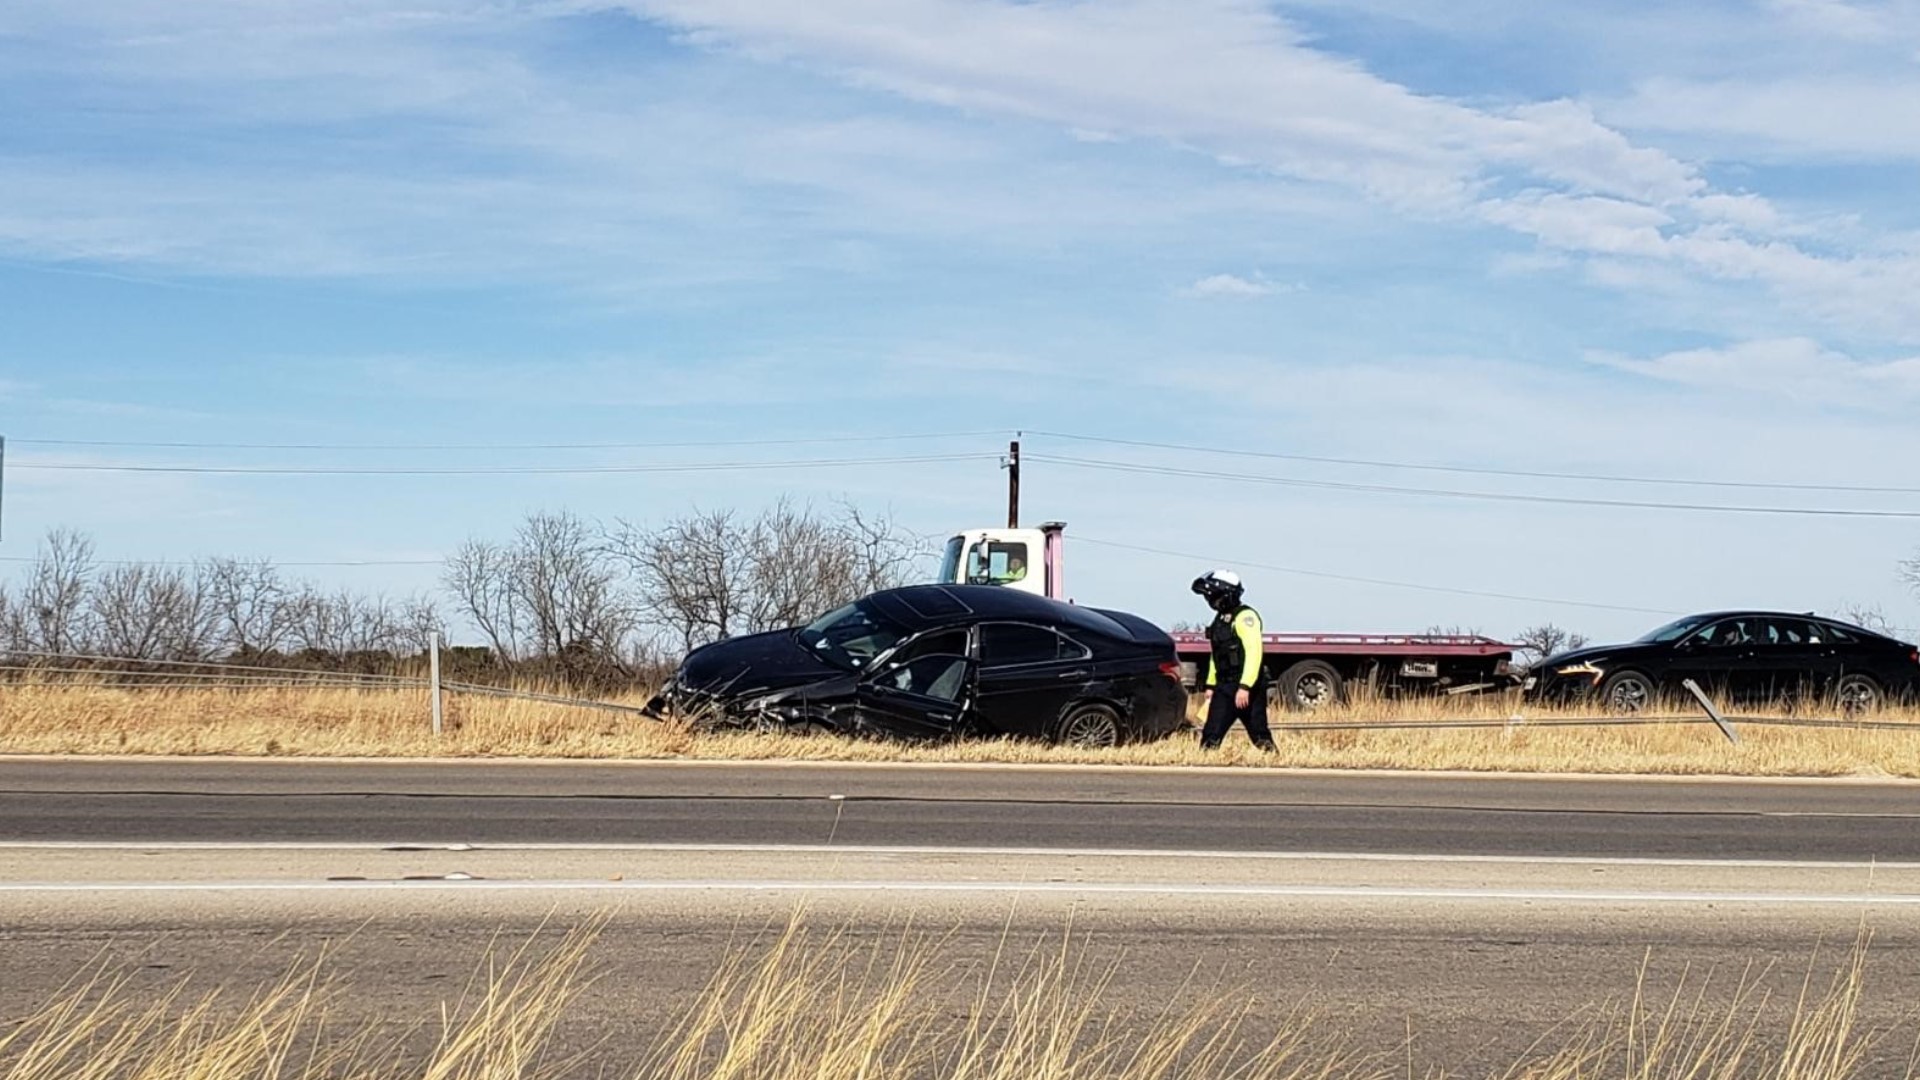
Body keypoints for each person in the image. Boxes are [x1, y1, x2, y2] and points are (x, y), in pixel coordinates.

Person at [1191, 570, 1276, 752]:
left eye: (1213, 596)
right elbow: (1216, 655)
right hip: (1224, 685)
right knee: (1211, 734)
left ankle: (1274, 760)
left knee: (1259, 734)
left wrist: (1245, 687)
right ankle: (1205, 764)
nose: (1210, 600)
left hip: (1247, 687)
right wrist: (1210, 685)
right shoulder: (1220, 619)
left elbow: (1254, 653)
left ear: (1226, 595)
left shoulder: (1245, 617)